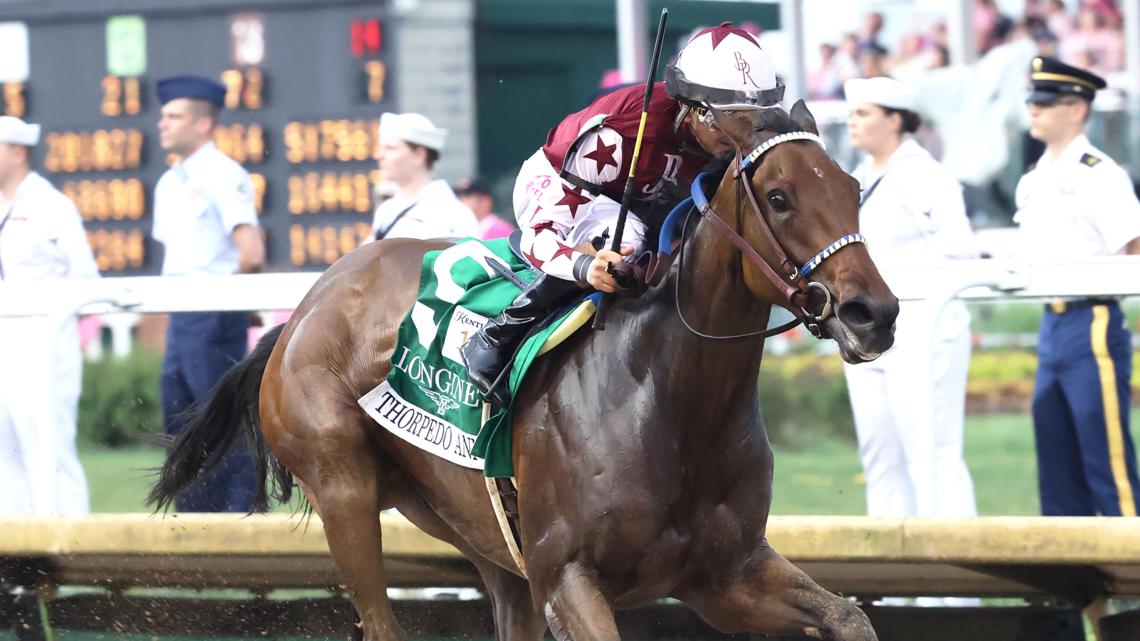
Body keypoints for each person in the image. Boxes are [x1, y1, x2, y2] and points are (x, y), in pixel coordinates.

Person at [461, 23, 784, 405]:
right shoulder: (620, 134)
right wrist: (586, 267)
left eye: (752, 119)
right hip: (573, 190)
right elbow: (541, 235)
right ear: (691, 107)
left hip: (649, 205)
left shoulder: (727, 140)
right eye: (729, 120)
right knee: (629, 243)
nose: (741, 136)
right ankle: (498, 335)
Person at [842, 77, 979, 518]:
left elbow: (960, 252)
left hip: (922, 329)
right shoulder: (857, 179)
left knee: (933, 456)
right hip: (868, 332)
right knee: (880, 459)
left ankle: (955, 585)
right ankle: (890, 585)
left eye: (864, 113)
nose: (853, 121)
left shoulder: (926, 176)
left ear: (895, 119)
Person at [1014, 57, 1140, 516]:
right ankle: (1074, 583)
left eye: (1046, 103)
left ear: (1078, 109)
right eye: (1034, 102)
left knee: (1105, 456)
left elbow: (1132, 248)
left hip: (1093, 319)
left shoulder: (1098, 172)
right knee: (1056, 459)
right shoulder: (1032, 180)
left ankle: (1132, 568)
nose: (1035, 111)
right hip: (1052, 322)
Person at [151, 75, 266, 512]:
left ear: (202, 124)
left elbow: (250, 251)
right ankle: (194, 520)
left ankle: (243, 518)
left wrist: (233, 305)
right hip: (181, 314)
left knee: (221, 418)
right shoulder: (169, 182)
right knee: (182, 419)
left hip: (214, 310)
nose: (162, 124)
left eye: (173, 116)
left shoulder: (224, 174)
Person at [0, 116, 99, 514]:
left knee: (49, 448)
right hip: (5, 341)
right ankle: (18, 565)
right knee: (7, 452)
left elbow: (84, 279)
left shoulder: (50, 205)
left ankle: (70, 560)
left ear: (17, 152)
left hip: (43, 344)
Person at [369, 112, 477, 241]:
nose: (379, 155)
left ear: (419, 155)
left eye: (390, 148)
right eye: (381, 148)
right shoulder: (386, 210)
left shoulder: (452, 213)